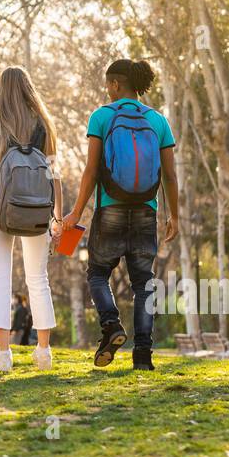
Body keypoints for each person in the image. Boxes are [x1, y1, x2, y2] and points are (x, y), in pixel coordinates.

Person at [64, 59, 179, 371]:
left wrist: (75, 213)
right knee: (144, 284)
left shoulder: (102, 116)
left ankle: (111, 325)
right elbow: (169, 176)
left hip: (110, 208)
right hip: (146, 210)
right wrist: (174, 217)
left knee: (98, 273)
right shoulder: (158, 121)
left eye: (108, 85)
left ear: (115, 85)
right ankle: (143, 355)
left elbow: (90, 171)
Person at [0, 66, 62, 372]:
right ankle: (43, 351)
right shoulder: (43, 123)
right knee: (38, 279)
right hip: (38, 207)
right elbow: (54, 173)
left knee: (0, 276)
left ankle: (3, 354)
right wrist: (58, 216)